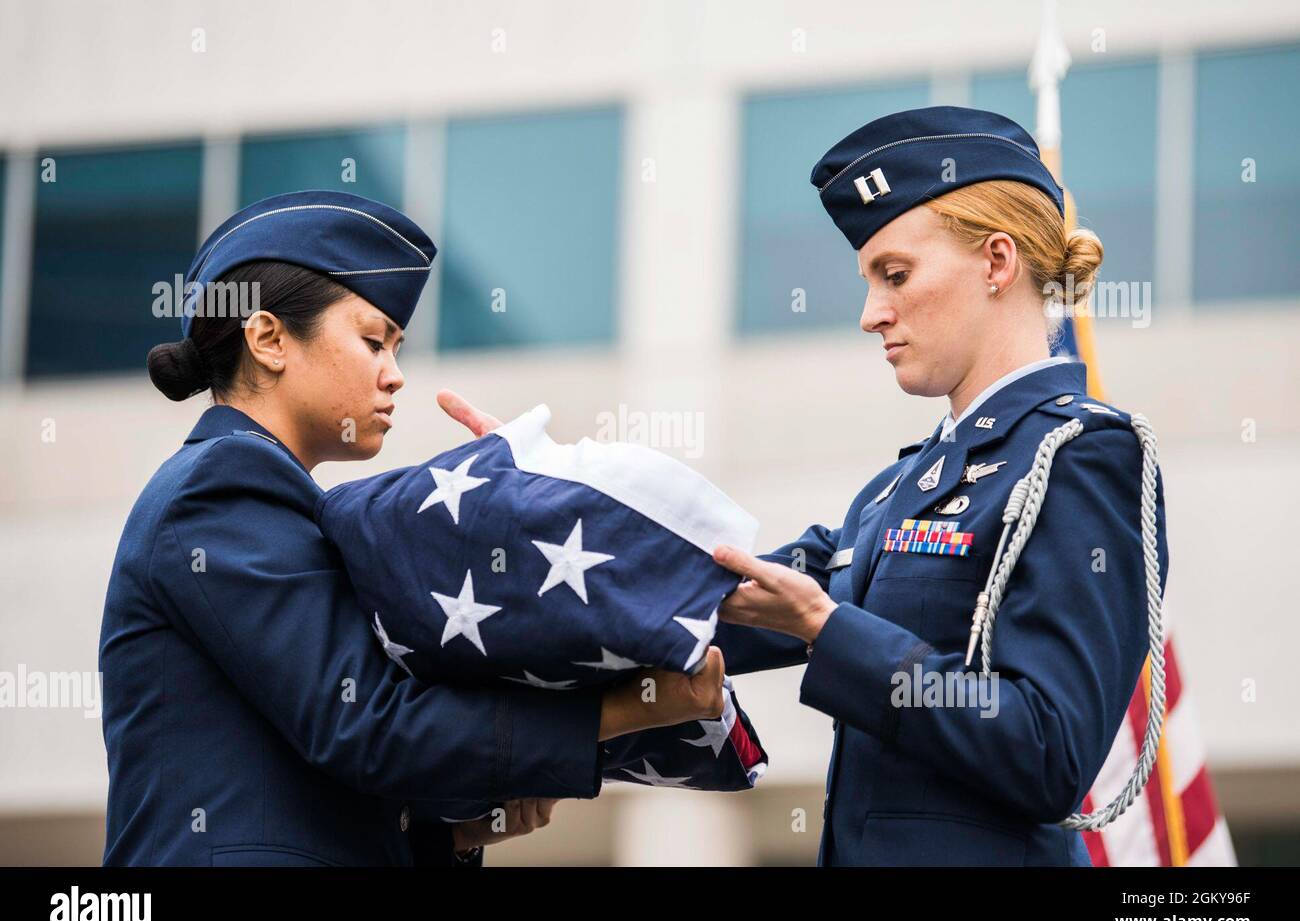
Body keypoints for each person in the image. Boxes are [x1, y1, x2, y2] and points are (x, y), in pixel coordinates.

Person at [99, 190, 725, 867]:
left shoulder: (266, 497)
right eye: (372, 341)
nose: (394, 376)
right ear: (269, 339)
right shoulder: (222, 488)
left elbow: (309, 778)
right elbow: (362, 724)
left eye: (396, 348)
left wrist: (447, 835)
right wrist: (622, 713)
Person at [705, 106, 1170, 865]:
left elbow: (1050, 749)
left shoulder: (1085, 457)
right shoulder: (899, 487)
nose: (870, 315)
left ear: (996, 261)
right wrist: (547, 508)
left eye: (896, 274)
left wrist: (830, 630)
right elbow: (721, 598)